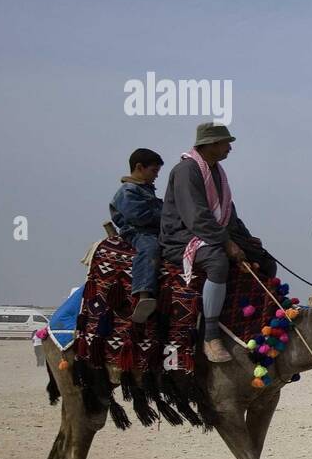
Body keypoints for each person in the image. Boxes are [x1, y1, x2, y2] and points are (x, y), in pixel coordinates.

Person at [160, 123, 275, 364]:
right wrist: (227, 243)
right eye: (226, 142)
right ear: (211, 144)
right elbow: (196, 216)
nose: (230, 147)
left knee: (263, 258)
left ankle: (255, 320)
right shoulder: (186, 171)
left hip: (211, 233)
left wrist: (245, 238)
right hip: (183, 237)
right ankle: (211, 336)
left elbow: (228, 214)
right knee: (218, 261)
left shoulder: (217, 172)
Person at [110, 148, 165, 324]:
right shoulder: (128, 190)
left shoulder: (147, 190)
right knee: (150, 249)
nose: (156, 176)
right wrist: (165, 218)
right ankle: (143, 294)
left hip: (155, 231)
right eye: (154, 171)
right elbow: (138, 217)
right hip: (138, 232)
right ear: (140, 167)